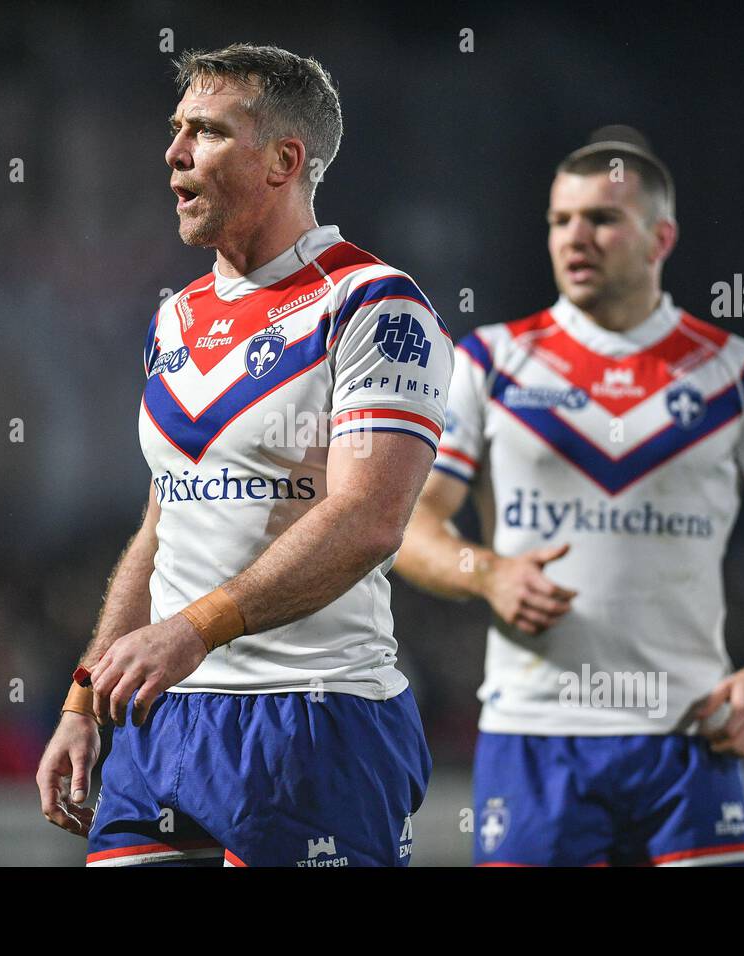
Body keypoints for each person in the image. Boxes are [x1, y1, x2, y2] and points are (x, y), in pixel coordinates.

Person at [35, 43, 453, 867]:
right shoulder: (173, 320)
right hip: (165, 719)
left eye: (207, 131)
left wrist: (194, 631)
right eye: (176, 128)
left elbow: (369, 519)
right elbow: (162, 524)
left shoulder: (371, 304)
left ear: (283, 161)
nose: (174, 153)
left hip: (313, 716)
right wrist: (84, 698)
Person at [395, 127, 744, 867]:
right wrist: (489, 573)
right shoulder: (488, 362)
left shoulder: (737, 375)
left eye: (602, 218)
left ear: (660, 236)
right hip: (534, 738)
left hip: (688, 737)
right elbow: (411, 522)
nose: (575, 236)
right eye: (560, 220)